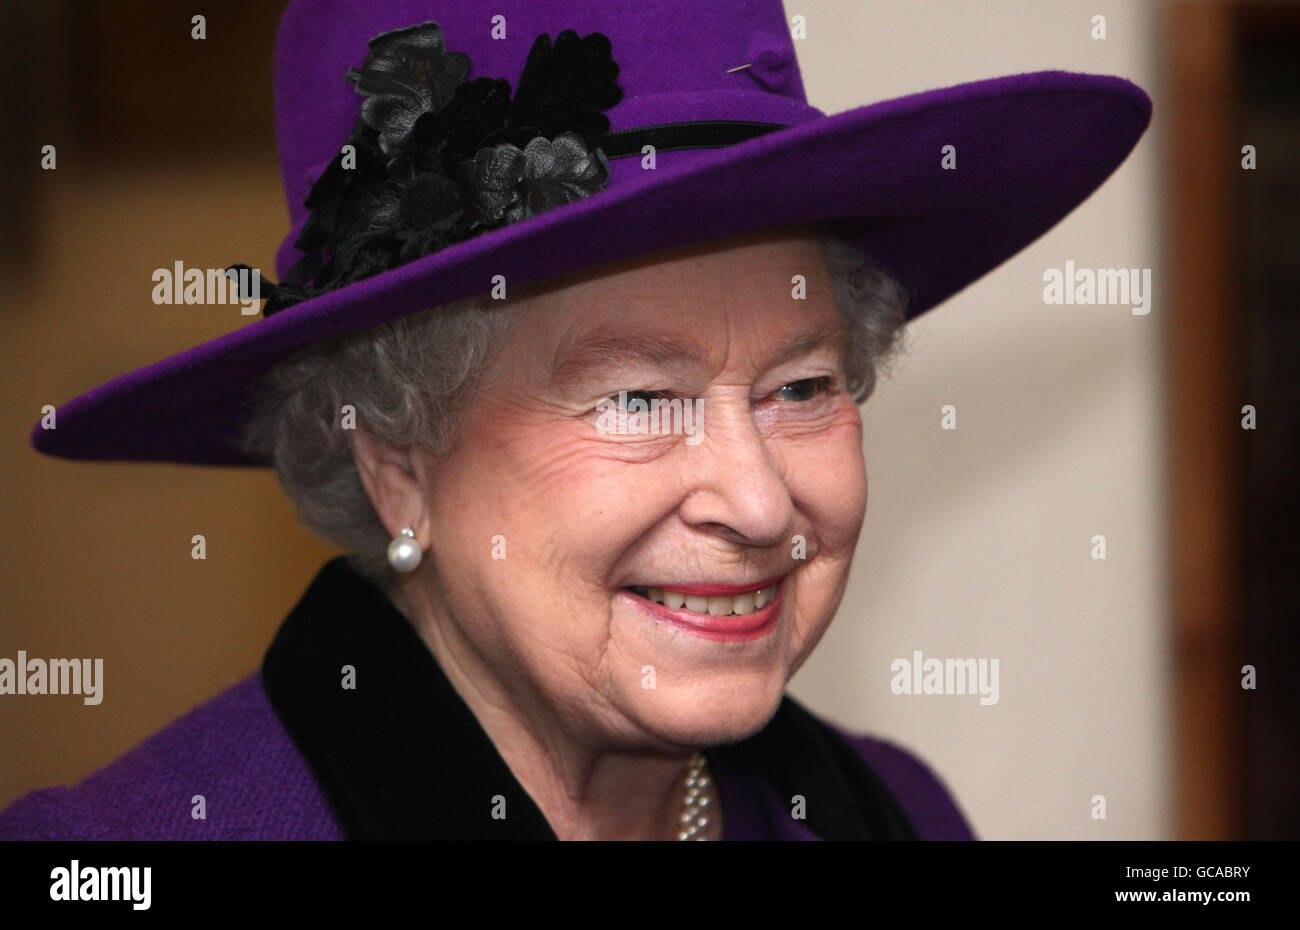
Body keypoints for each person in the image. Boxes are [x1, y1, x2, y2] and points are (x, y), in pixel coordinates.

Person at [0, 0, 1150, 840]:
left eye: (801, 387)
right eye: (640, 398)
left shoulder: (895, 816)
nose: (758, 504)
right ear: (397, 459)